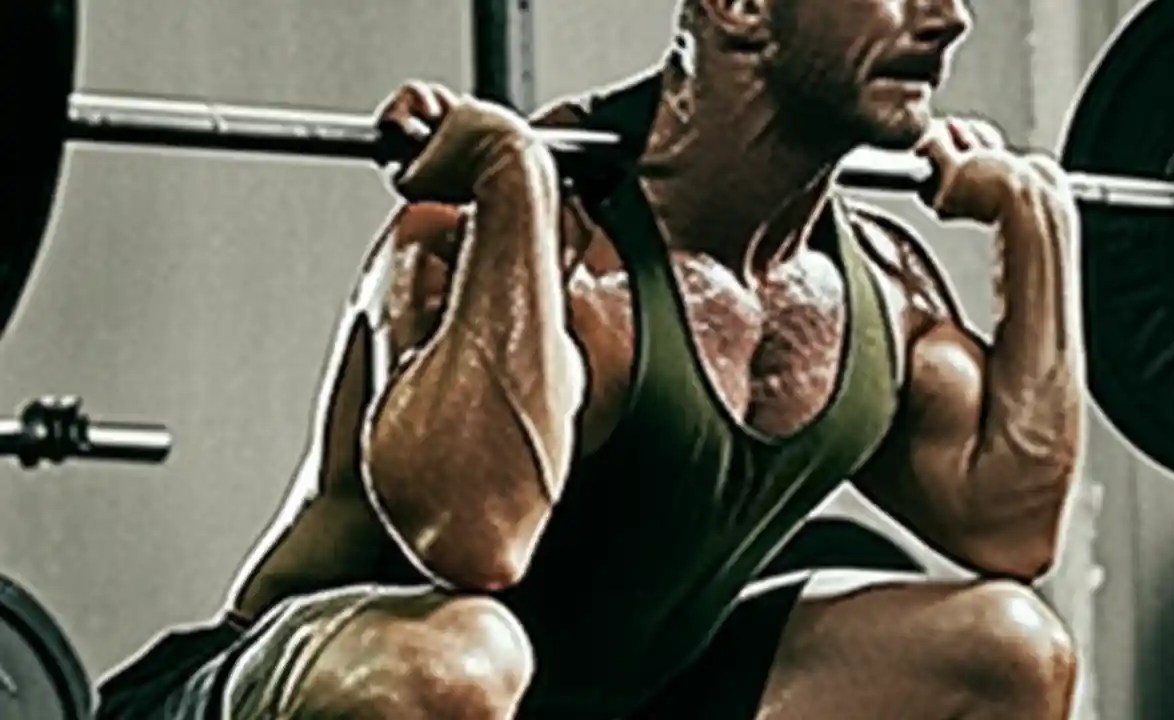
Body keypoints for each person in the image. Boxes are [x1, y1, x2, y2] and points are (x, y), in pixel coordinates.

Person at [96, 0, 1085, 717]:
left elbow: (1008, 524)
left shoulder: (877, 284)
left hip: (617, 698)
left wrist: (1035, 226)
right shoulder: (501, 236)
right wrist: (514, 179)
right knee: (460, 663)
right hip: (293, 688)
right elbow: (475, 540)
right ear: (741, 8)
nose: (949, 17)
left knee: (1004, 649)